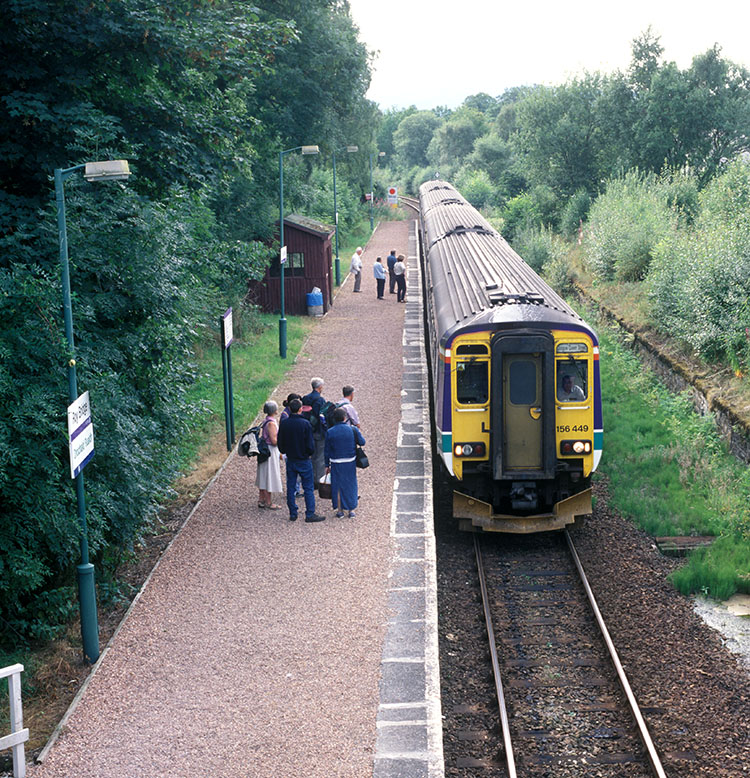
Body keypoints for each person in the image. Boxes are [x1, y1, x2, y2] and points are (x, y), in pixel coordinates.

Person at [277, 398, 325, 522]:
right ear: (300, 409)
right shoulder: (305, 424)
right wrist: (309, 453)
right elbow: (310, 445)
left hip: (291, 459)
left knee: (291, 486)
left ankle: (293, 513)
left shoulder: (285, 424)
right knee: (308, 487)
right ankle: (309, 513)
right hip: (304, 459)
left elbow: (280, 445)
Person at [325, 407, 366, 518]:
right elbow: (362, 442)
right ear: (344, 418)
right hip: (350, 461)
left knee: (337, 486)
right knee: (350, 484)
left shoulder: (330, 432)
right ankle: (351, 509)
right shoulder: (352, 429)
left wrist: (326, 465)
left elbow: (327, 451)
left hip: (336, 462)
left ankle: (340, 510)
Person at [255, 401, 283, 509]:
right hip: (270, 451)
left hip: (265, 450)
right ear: (274, 410)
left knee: (263, 475)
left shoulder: (266, 420)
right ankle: (269, 502)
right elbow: (274, 441)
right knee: (269, 476)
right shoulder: (271, 423)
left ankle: (261, 499)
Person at [302, 377, 327, 484]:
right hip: (318, 432)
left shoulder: (305, 398)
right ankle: (318, 480)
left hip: (307, 431)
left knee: (309, 456)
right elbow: (321, 417)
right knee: (319, 457)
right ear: (320, 387)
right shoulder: (320, 400)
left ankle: (309, 478)